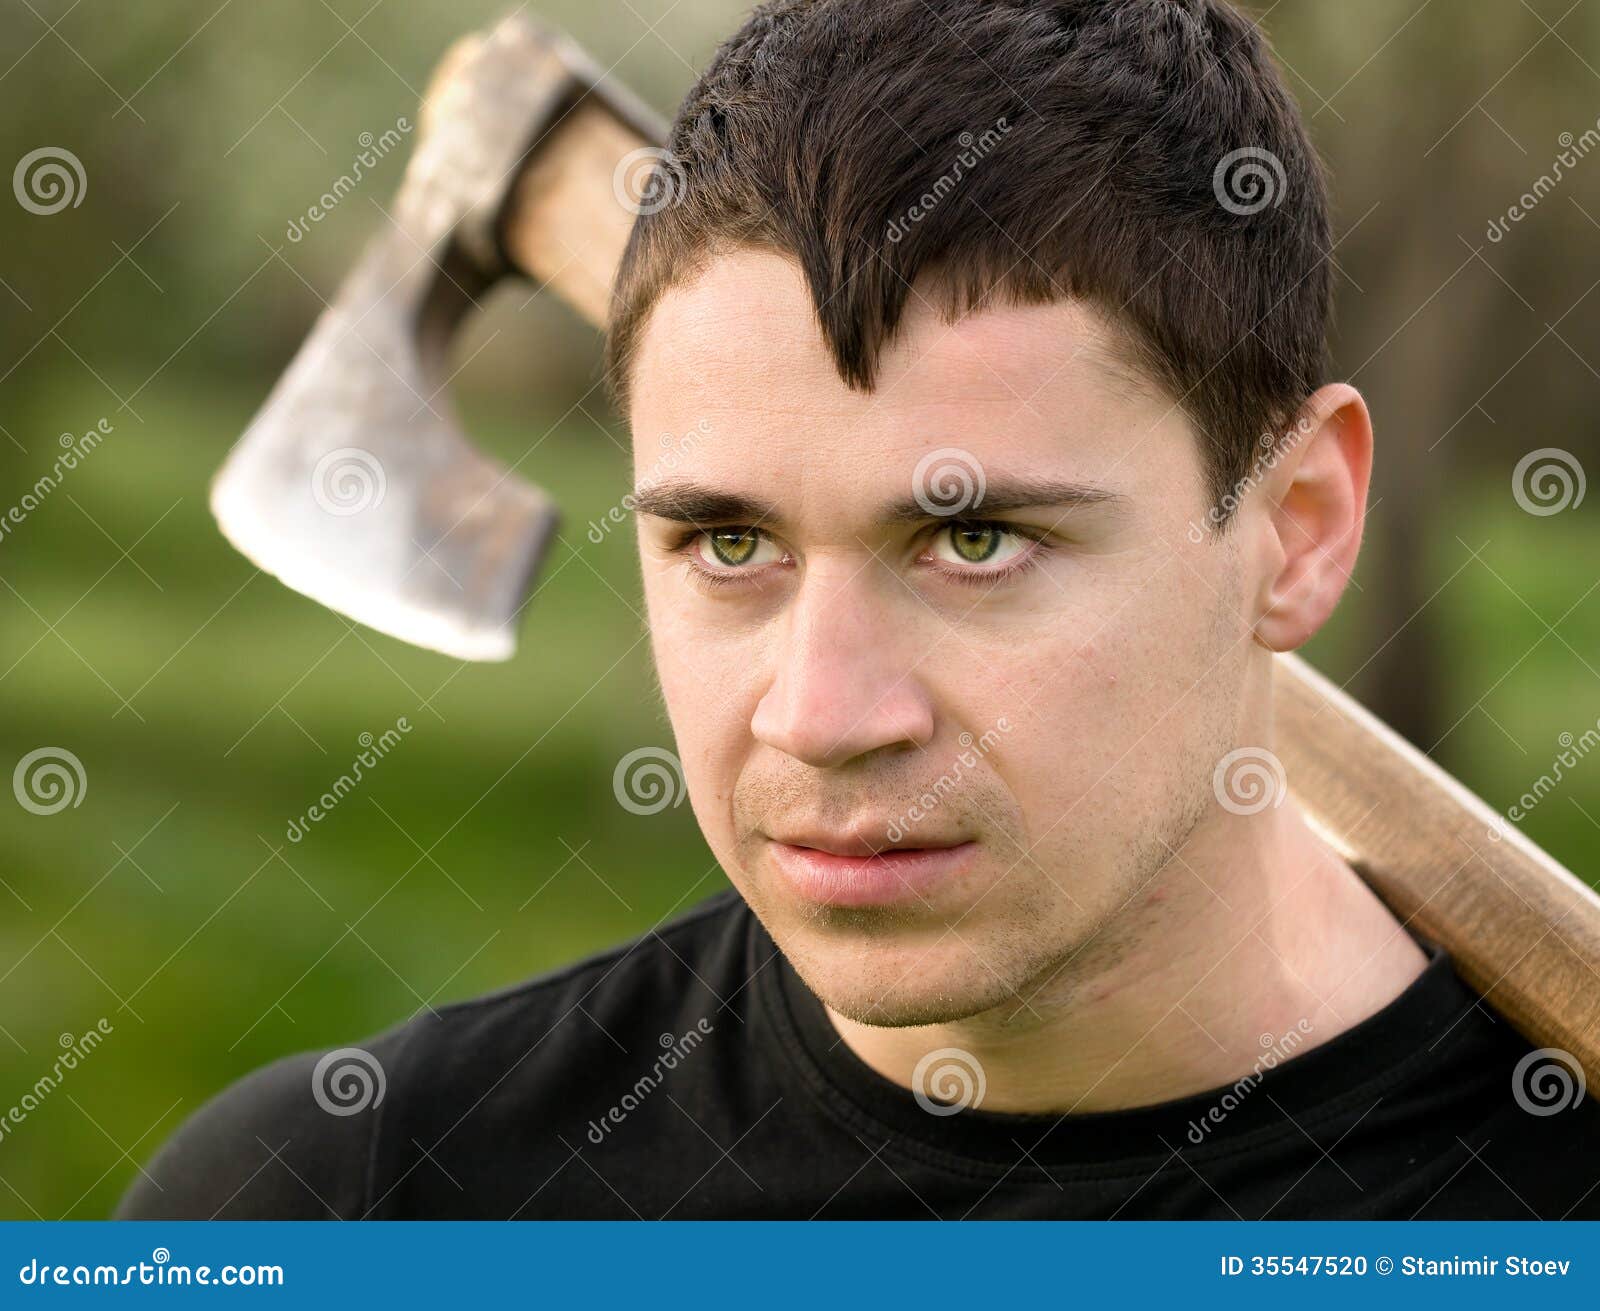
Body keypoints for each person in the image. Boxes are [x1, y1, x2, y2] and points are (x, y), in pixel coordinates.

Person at [116, 0, 1600, 1220]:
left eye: (973, 539)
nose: (824, 716)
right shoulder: (349, 1203)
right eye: (727, 542)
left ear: (1298, 526)